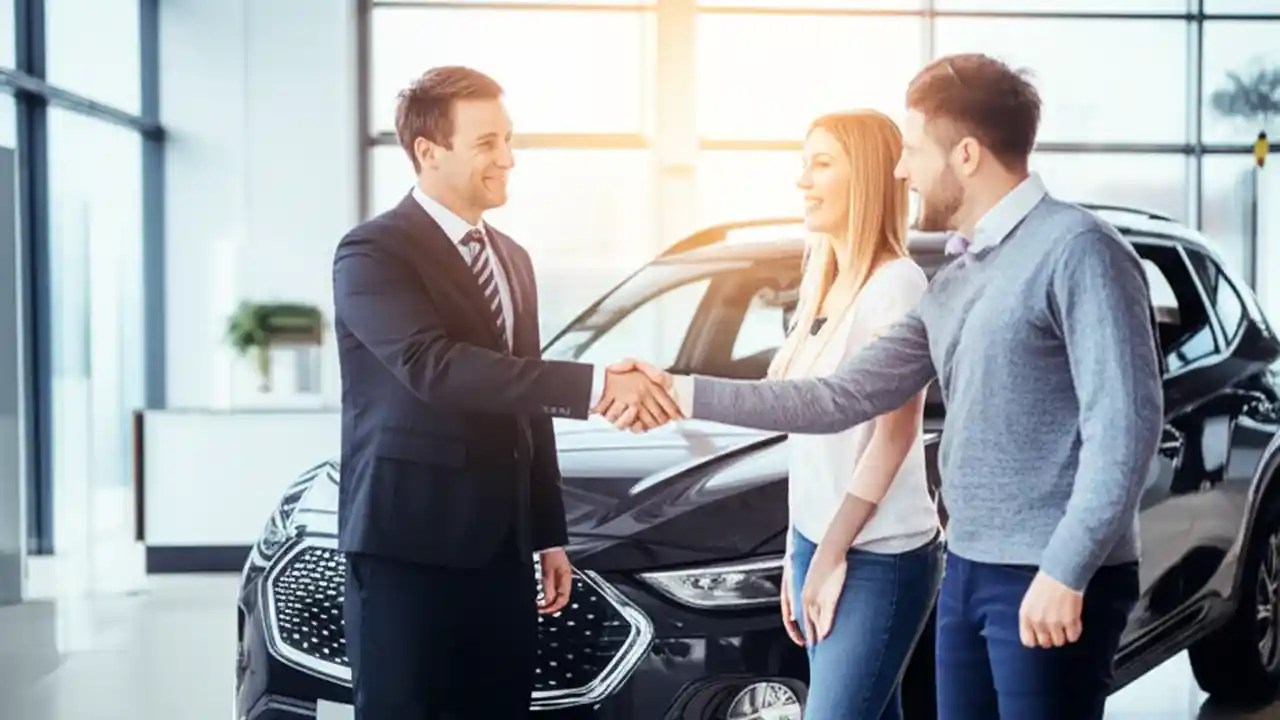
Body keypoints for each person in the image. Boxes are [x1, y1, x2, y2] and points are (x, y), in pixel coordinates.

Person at [605, 54, 1163, 720]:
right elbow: (836, 398)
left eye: (912, 152)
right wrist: (678, 389)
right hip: (969, 569)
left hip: (1048, 577)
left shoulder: (1079, 250)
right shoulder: (961, 277)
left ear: (964, 154)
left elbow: (1126, 430)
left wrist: (1067, 569)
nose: (901, 171)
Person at [331, 66, 678, 719]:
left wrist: (546, 533)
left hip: (501, 548)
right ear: (428, 153)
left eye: (508, 139)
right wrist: (599, 381)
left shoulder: (512, 257)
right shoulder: (373, 252)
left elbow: (526, 402)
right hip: (410, 545)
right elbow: (433, 367)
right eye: (487, 143)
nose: (508, 159)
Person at [767, 109, 942, 720]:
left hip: (879, 555)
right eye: (804, 164)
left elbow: (894, 439)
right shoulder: (823, 280)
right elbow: (807, 443)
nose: (803, 182)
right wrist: (799, 550)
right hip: (817, 539)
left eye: (821, 164)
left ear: (865, 177)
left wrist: (829, 553)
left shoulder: (898, 285)